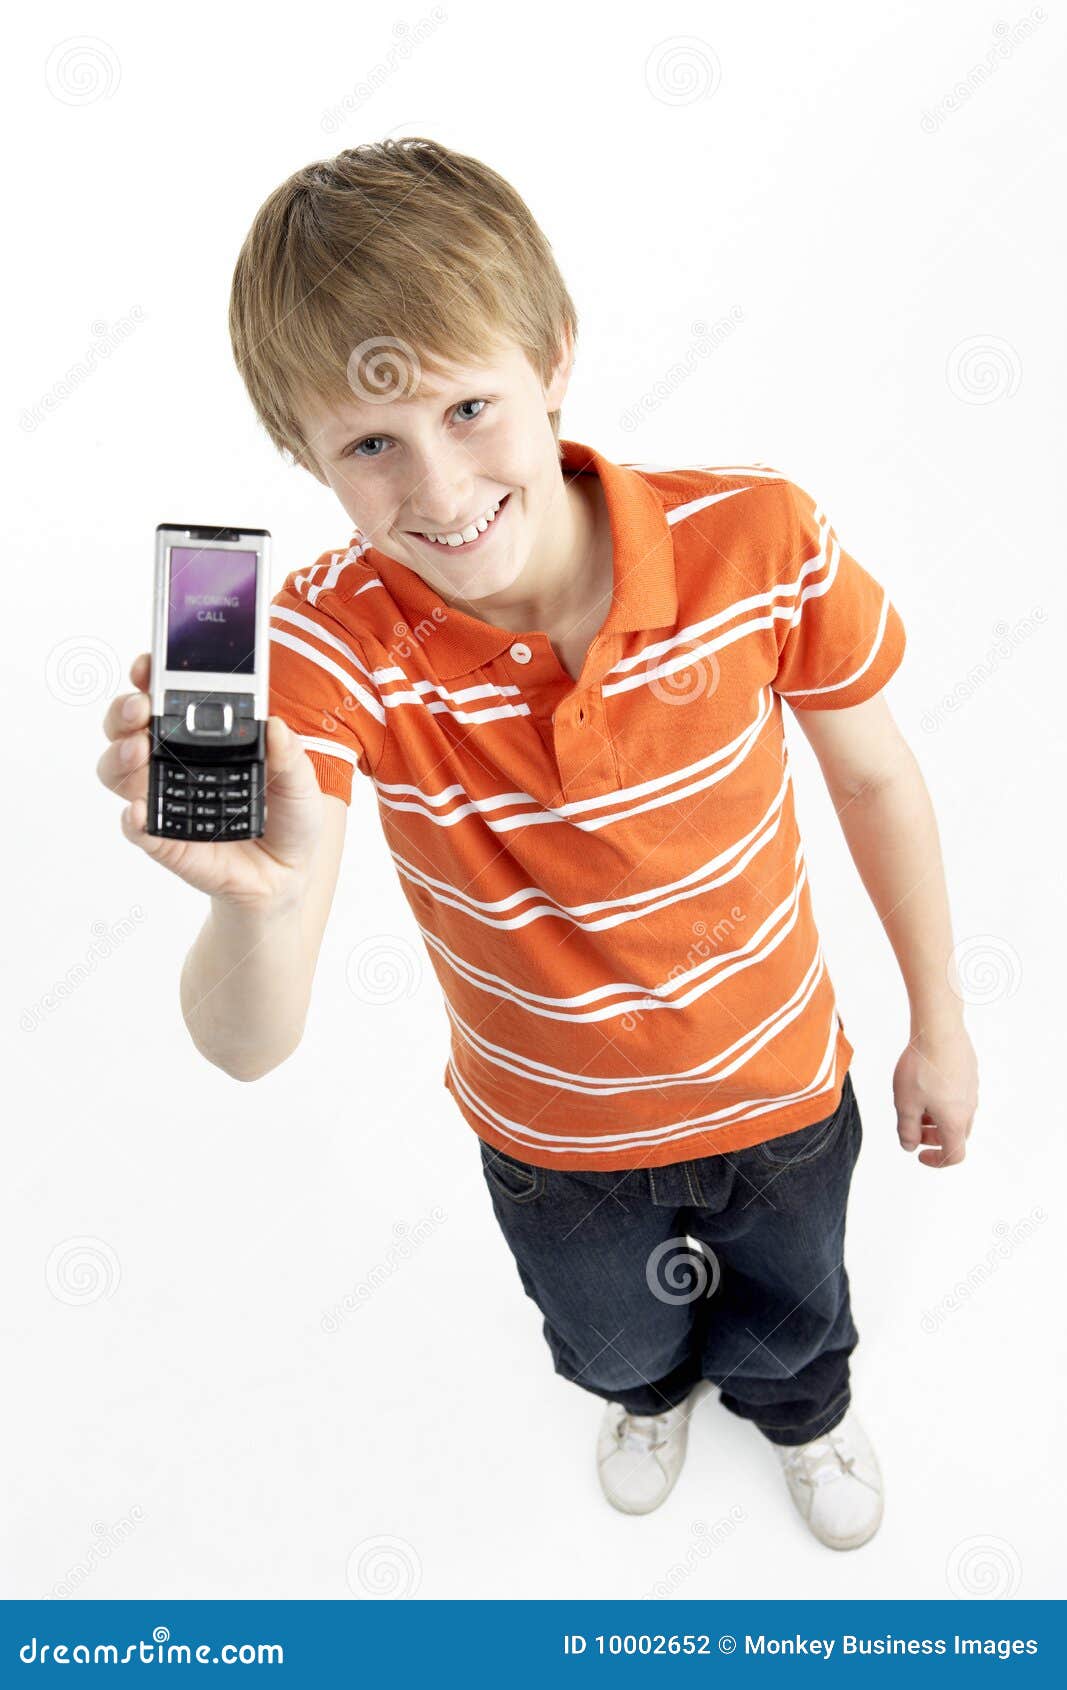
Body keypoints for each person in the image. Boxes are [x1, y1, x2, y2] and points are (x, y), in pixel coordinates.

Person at [98, 138, 979, 1552]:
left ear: (554, 355)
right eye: (368, 446)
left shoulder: (756, 536)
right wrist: (253, 900)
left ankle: (803, 1412)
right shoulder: (324, 644)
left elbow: (876, 780)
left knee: (799, 1316)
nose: (440, 491)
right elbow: (246, 1042)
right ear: (301, 452)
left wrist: (938, 1019)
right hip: (554, 1147)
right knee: (618, 1338)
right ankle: (650, 1393)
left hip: (783, 1102)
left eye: (468, 406)